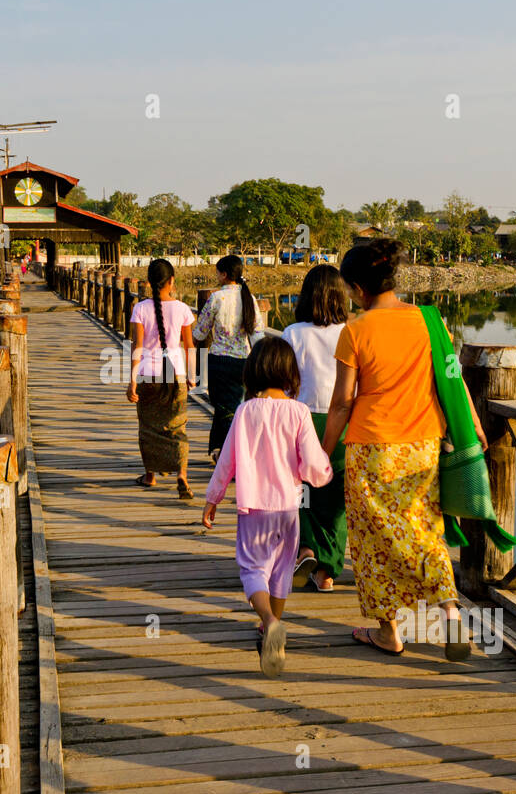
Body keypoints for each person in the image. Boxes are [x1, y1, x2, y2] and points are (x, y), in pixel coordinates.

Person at [320, 239, 487, 661]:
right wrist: (474, 422)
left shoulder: (355, 331)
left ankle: (390, 633)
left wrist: (323, 451)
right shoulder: (431, 321)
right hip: (422, 447)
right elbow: (453, 378)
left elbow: (341, 403)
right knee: (424, 530)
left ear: (357, 289)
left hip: (371, 446)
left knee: (373, 539)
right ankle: (451, 616)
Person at [202, 336, 332, 677]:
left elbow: (226, 461)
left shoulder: (245, 411)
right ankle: (274, 625)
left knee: (252, 569)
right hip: (289, 509)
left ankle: (269, 621)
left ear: (253, 372)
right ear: (290, 373)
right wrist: (321, 474)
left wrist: (212, 498)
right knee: (280, 572)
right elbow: (314, 462)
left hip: (254, 508)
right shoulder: (299, 411)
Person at [281, 264, 348, 593]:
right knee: (336, 498)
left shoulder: (293, 333)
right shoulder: (352, 331)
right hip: (345, 421)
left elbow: (285, 382)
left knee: (301, 491)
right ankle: (328, 573)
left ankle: (305, 547)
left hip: (302, 418)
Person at [127, 258, 197, 499]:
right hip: (175, 374)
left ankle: (150, 475)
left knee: (148, 427)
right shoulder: (183, 309)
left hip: (148, 374)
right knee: (177, 426)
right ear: (171, 281)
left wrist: (132, 380)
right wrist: (192, 375)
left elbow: (137, 347)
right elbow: (189, 346)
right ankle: (182, 475)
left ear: (148, 282)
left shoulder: (140, 309)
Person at [192, 254, 265, 461]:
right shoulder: (249, 299)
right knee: (237, 407)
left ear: (224, 275)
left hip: (219, 361)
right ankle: (229, 452)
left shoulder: (216, 298)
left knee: (223, 407)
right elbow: (257, 333)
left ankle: (226, 454)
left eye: (217, 272)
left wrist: (188, 344)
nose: (216, 276)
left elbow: (201, 332)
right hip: (244, 361)